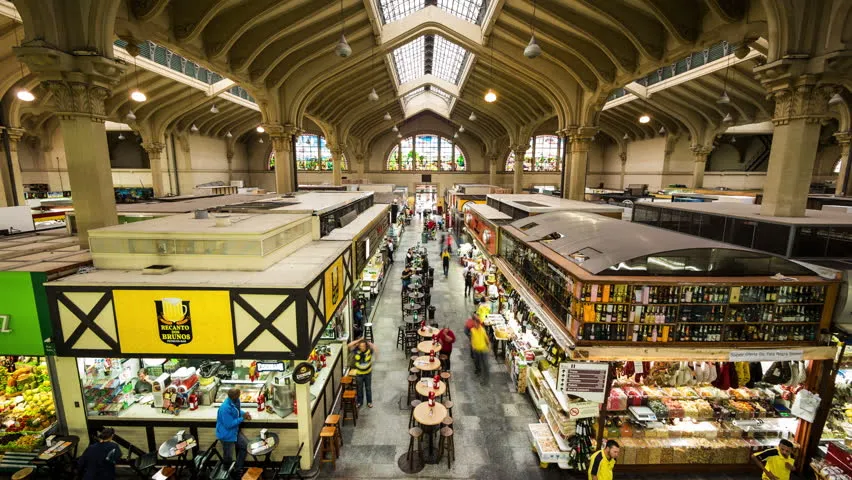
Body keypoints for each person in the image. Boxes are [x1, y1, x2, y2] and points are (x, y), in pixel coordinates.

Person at [217, 388, 251, 474]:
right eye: (238, 394)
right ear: (233, 396)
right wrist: (242, 418)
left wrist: (244, 414)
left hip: (234, 432)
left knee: (246, 446)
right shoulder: (225, 408)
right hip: (226, 435)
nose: (240, 394)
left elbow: (237, 411)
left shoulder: (236, 400)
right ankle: (226, 474)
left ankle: (237, 468)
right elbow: (229, 425)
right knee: (228, 458)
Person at [348, 338, 375, 408]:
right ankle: (360, 402)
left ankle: (369, 402)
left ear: (366, 346)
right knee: (359, 389)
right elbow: (349, 345)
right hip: (359, 374)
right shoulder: (356, 351)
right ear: (358, 346)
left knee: (368, 388)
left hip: (368, 373)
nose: (362, 347)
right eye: (360, 346)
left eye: (363, 346)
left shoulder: (369, 351)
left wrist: (367, 342)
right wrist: (359, 340)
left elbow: (374, 347)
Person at [469, 317, 490, 384]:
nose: (474, 324)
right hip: (476, 350)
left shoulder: (482, 330)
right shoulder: (472, 330)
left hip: (483, 350)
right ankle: (478, 370)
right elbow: (472, 338)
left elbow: (486, 338)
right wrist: (472, 346)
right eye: (474, 323)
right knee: (476, 361)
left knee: (485, 365)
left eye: (475, 323)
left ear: (478, 323)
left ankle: (485, 379)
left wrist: (489, 345)